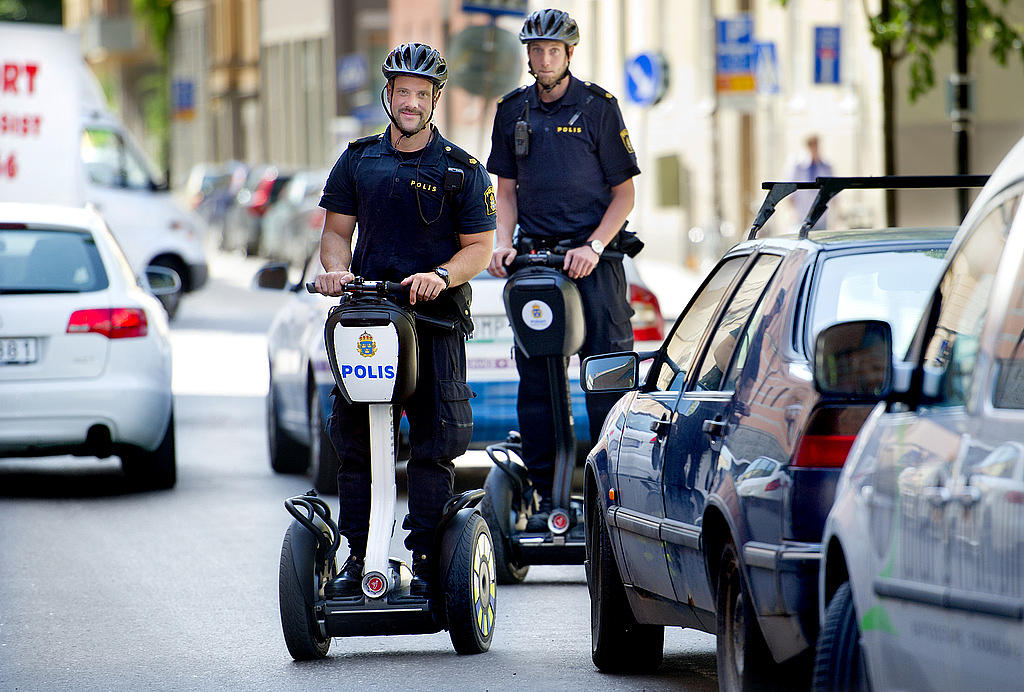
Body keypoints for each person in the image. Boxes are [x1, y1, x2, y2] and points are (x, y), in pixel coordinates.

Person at [314, 42, 495, 597]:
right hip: (370, 322)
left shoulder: (463, 170)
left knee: (435, 444)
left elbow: (479, 249)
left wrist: (440, 275)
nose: (410, 102)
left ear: (435, 99)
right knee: (356, 444)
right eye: (402, 92)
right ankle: (355, 560)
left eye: (421, 93)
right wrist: (335, 273)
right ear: (387, 95)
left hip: (434, 326)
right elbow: (336, 234)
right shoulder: (358, 159)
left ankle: (428, 562)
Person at [486, 8, 640, 531]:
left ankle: (611, 492)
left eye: (554, 50)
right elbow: (504, 191)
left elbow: (624, 194)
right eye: (536, 50)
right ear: (527, 55)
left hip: (594, 262)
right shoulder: (512, 111)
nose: (544, 58)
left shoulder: (598, 108)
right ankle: (546, 489)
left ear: (569, 55)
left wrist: (595, 245)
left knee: (607, 377)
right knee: (537, 379)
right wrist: (503, 244)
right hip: (537, 262)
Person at [788, 134, 835, 230]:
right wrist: (793, 212)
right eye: (813, 145)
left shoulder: (826, 166)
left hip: (821, 217)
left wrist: (836, 216)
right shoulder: (798, 166)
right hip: (802, 216)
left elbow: (833, 191)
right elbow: (790, 192)